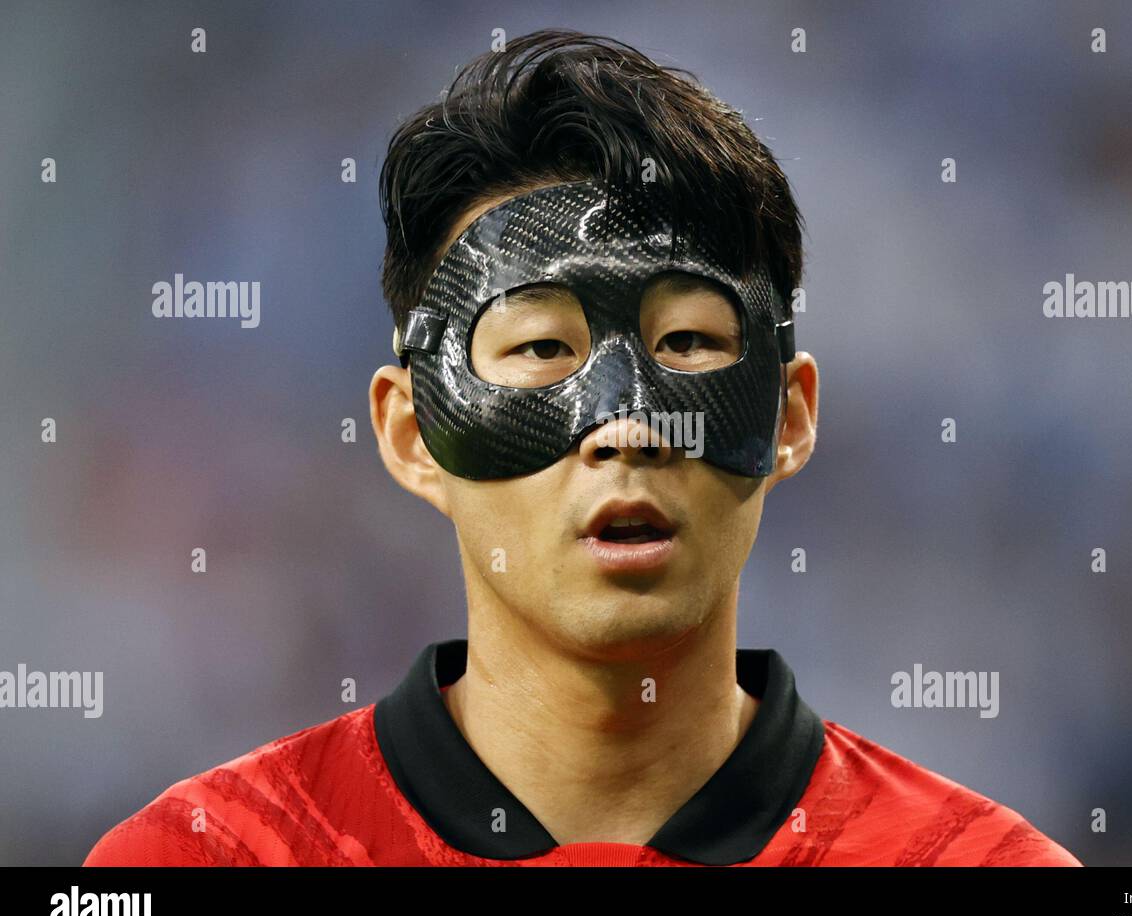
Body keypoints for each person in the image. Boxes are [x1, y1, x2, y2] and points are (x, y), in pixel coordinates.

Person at [84, 28, 1081, 867]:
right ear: (411, 430)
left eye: (688, 342)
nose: (624, 424)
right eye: (539, 347)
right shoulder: (208, 859)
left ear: (788, 415)